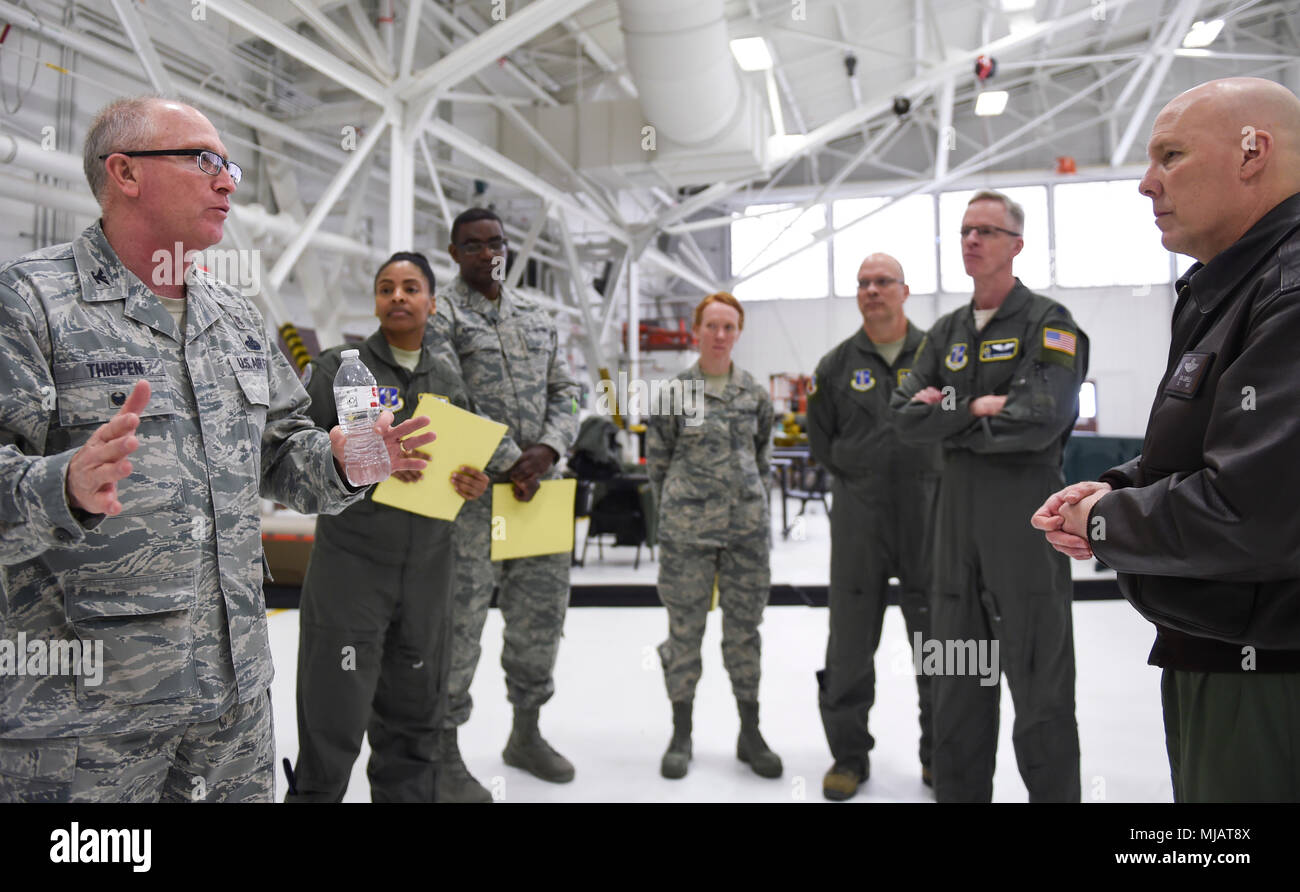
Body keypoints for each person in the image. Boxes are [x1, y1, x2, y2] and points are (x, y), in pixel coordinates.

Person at [0, 97, 432, 802]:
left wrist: (346, 463)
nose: (228, 180)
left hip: (231, 706)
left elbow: (284, 455)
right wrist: (64, 484)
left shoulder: (235, 317)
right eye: (204, 161)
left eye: (228, 163)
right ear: (125, 173)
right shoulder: (31, 302)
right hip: (87, 718)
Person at [1032, 77, 1300, 803]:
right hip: (1216, 644)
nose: (1147, 184)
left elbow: (1255, 514)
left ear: (1254, 153)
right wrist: (1117, 487)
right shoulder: (1226, 286)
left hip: (1268, 667)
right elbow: (1201, 455)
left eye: (1171, 156)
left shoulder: (1287, 292)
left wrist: (1104, 523)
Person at [889, 190, 1088, 803]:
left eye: (987, 231)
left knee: (1040, 691)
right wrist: (976, 404)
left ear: (1017, 245)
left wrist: (947, 415)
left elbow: (1042, 417)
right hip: (952, 528)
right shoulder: (945, 330)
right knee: (956, 686)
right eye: (966, 230)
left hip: (1025, 523)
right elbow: (902, 415)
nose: (972, 240)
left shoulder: (1048, 323)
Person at [286, 252, 490, 803]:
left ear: (431, 301)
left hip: (429, 567)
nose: (398, 296)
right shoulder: (337, 370)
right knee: (335, 716)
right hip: (352, 568)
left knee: (416, 713)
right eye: (386, 287)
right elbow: (297, 453)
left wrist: (473, 481)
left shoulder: (450, 376)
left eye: (411, 287)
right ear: (376, 301)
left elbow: (464, 457)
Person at [434, 207, 581, 802]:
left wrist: (548, 449)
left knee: (540, 618)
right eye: (472, 244)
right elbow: (449, 396)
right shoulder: (440, 316)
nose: (486, 253)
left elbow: (568, 392)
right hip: (471, 497)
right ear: (453, 252)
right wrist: (511, 458)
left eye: (495, 243)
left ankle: (526, 732)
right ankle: (444, 749)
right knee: (460, 624)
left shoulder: (536, 317)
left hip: (537, 493)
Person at [807, 253, 942, 800]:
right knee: (849, 644)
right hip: (859, 520)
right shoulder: (835, 366)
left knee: (937, 640)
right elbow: (822, 443)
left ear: (904, 291)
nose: (872, 290)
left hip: (928, 517)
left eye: (883, 281)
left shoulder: (940, 355)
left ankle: (939, 755)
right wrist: (863, 476)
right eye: (863, 283)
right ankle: (848, 756)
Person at [647, 292, 780, 780]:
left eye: (729, 327)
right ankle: (681, 733)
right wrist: (677, 515)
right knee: (685, 633)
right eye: (712, 326)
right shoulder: (675, 393)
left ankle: (751, 731)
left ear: (738, 333)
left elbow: (762, 458)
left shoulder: (755, 393)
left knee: (744, 633)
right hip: (688, 535)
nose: (720, 335)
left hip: (746, 533)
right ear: (696, 331)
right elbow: (657, 464)